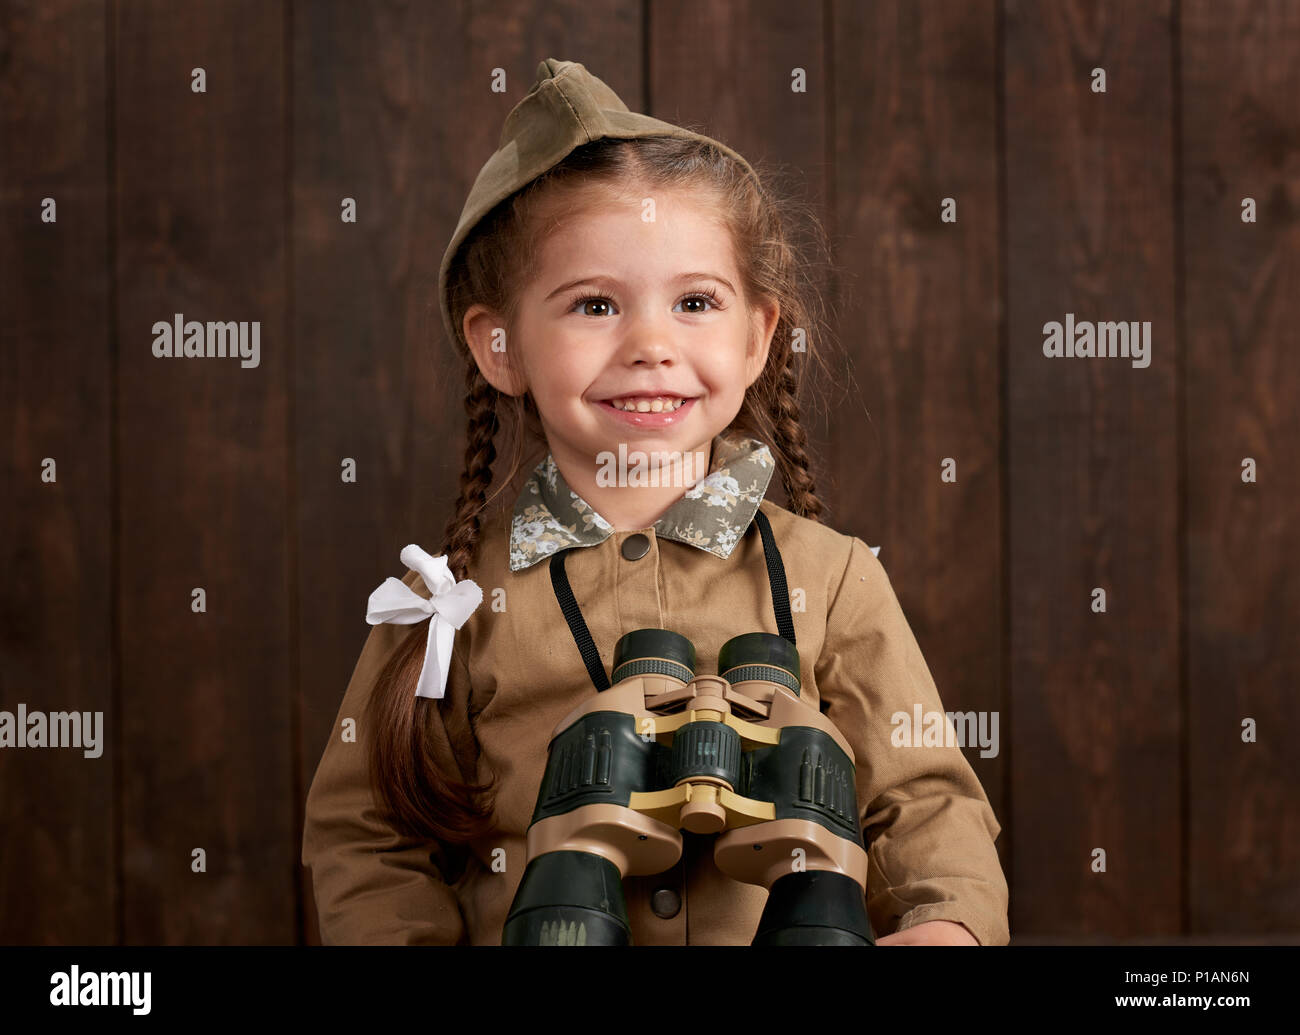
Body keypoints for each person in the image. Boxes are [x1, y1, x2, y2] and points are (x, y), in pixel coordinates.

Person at [302, 58, 1009, 946]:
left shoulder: (832, 579)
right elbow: (365, 831)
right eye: (595, 304)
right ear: (500, 346)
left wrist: (948, 926)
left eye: (695, 302)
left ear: (758, 339)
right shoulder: (451, 601)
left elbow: (925, 799)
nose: (650, 344)